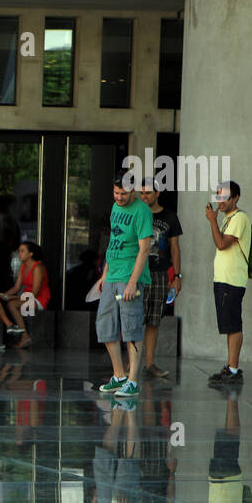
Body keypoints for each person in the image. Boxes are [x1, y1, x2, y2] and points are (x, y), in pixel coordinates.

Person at [94, 170, 153, 400]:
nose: (119, 197)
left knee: (131, 327)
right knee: (106, 324)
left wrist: (132, 283)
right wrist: (104, 274)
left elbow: (144, 248)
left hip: (130, 276)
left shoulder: (142, 211)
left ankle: (133, 380)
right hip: (112, 275)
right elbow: (113, 241)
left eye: (123, 193)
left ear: (134, 190)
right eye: (116, 192)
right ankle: (118, 375)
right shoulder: (115, 207)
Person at [205, 180, 252, 386]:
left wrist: (212, 221)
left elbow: (222, 244)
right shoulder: (227, 218)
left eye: (225, 197)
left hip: (232, 281)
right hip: (223, 280)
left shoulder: (239, 218)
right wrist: (215, 221)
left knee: (233, 324)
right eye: (218, 196)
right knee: (229, 324)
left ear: (236, 198)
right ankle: (230, 367)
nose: (220, 201)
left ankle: (234, 370)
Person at [139, 176, 183, 379]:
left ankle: (149, 364)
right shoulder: (137, 214)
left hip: (160, 273)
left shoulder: (170, 217)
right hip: (138, 272)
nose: (144, 196)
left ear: (157, 193)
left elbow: (175, 247)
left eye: (148, 192)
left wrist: (177, 276)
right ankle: (130, 365)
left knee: (154, 320)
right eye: (141, 193)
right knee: (134, 317)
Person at [0, 241, 50, 350]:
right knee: (2, 302)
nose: (19, 254)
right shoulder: (23, 266)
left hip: (39, 299)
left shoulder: (38, 268)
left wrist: (12, 298)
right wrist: (4, 295)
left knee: (12, 304)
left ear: (30, 254)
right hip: (25, 297)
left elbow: (35, 293)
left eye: (22, 251)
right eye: (19, 251)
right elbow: (17, 287)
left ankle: (25, 336)